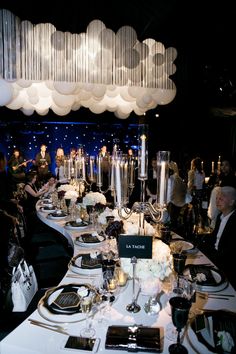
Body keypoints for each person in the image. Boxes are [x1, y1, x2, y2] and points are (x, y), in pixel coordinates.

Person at [203, 186, 236, 289]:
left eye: (221, 198)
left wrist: (211, 259)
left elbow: (229, 250)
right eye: (217, 198)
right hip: (215, 257)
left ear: (231, 202)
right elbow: (214, 237)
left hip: (226, 266)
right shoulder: (220, 217)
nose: (217, 201)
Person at [167, 161, 187, 232]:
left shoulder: (171, 179)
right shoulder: (179, 179)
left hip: (173, 204)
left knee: (172, 223)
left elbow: (170, 193)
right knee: (175, 222)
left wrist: (166, 203)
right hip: (180, 204)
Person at [187, 157, 205, 228]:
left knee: (192, 209)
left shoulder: (191, 172)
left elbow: (190, 184)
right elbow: (202, 182)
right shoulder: (203, 172)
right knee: (199, 209)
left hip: (193, 191)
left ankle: (192, 224)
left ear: (193, 164)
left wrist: (187, 193)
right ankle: (199, 224)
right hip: (200, 192)